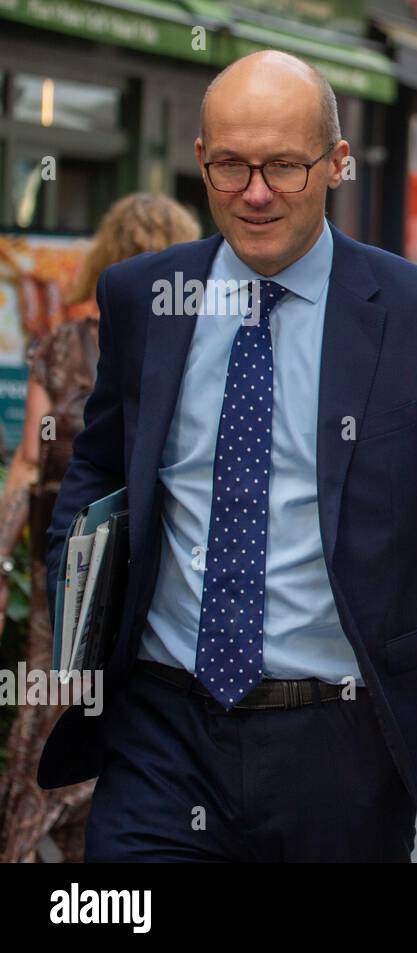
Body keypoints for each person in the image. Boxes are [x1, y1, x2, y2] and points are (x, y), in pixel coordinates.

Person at [39, 50, 417, 861]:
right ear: (201, 162)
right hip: (162, 736)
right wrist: (72, 590)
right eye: (231, 166)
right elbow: (98, 470)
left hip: (341, 747)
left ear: (336, 163)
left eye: (285, 167)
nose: (255, 193)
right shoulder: (142, 297)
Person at [0, 194, 200, 863]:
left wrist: (2, 560)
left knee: (46, 721)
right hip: (151, 569)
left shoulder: (61, 343)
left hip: (64, 569)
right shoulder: (190, 337)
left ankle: (29, 841)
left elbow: (29, 461)